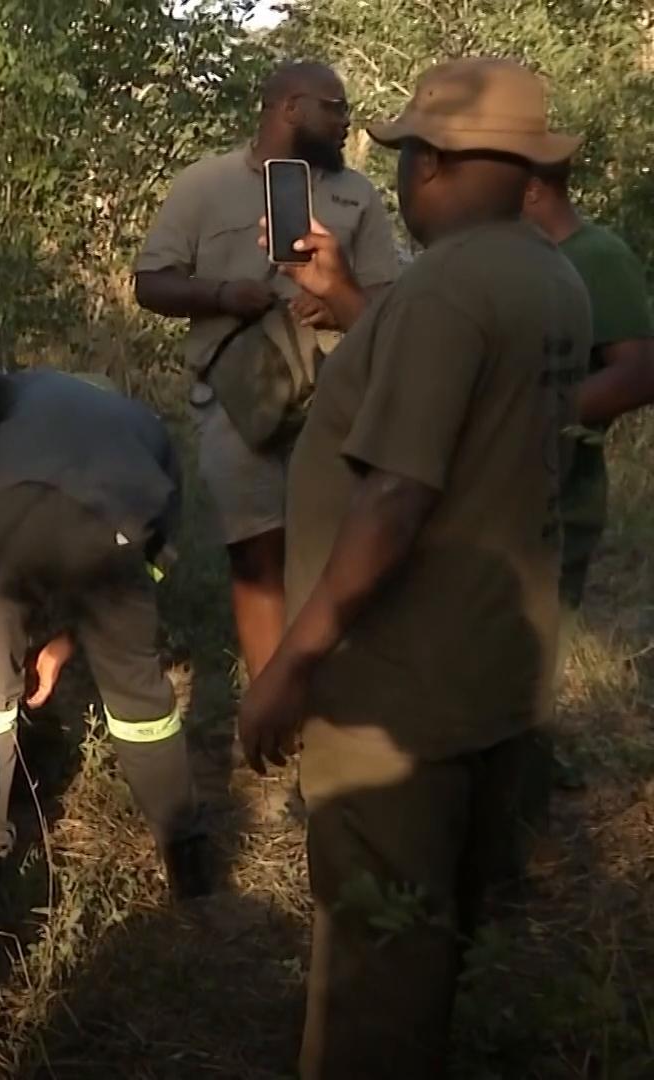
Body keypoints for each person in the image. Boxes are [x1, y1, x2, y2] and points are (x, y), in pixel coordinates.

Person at [236, 58, 591, 1078]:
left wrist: (292, 663)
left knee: (375, 981)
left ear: (429, 163)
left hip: (397, 698)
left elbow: (395, 498)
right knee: (436, 944)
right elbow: (466, 399)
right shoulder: (552, 280)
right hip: (494, 678)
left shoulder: (444, 288)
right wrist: (352, 302)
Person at [133, 61, 402, 693]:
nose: (345, 122)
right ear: (288, 108)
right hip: (236, 396)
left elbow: (387, 298)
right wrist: (222, 294)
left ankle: (334, 692)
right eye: (334, 108)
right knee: (256, 554)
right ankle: (272, 699)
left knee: (336, 544)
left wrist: (337, 297)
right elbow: (151, 283)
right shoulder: (204, 185)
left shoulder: (357, 194)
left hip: (335, 391)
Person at [0, 367, 209, 901]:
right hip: (110, 520)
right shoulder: (145, 425)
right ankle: (189, 863)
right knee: (139, 700)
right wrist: (75, 635)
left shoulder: (13, 388)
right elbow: (154, 558)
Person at [521, 162, 654, 613]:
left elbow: (639, 374)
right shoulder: (526, 256)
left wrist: (529, 414)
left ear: (533, 189)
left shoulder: (599, 257)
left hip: (562, 503)